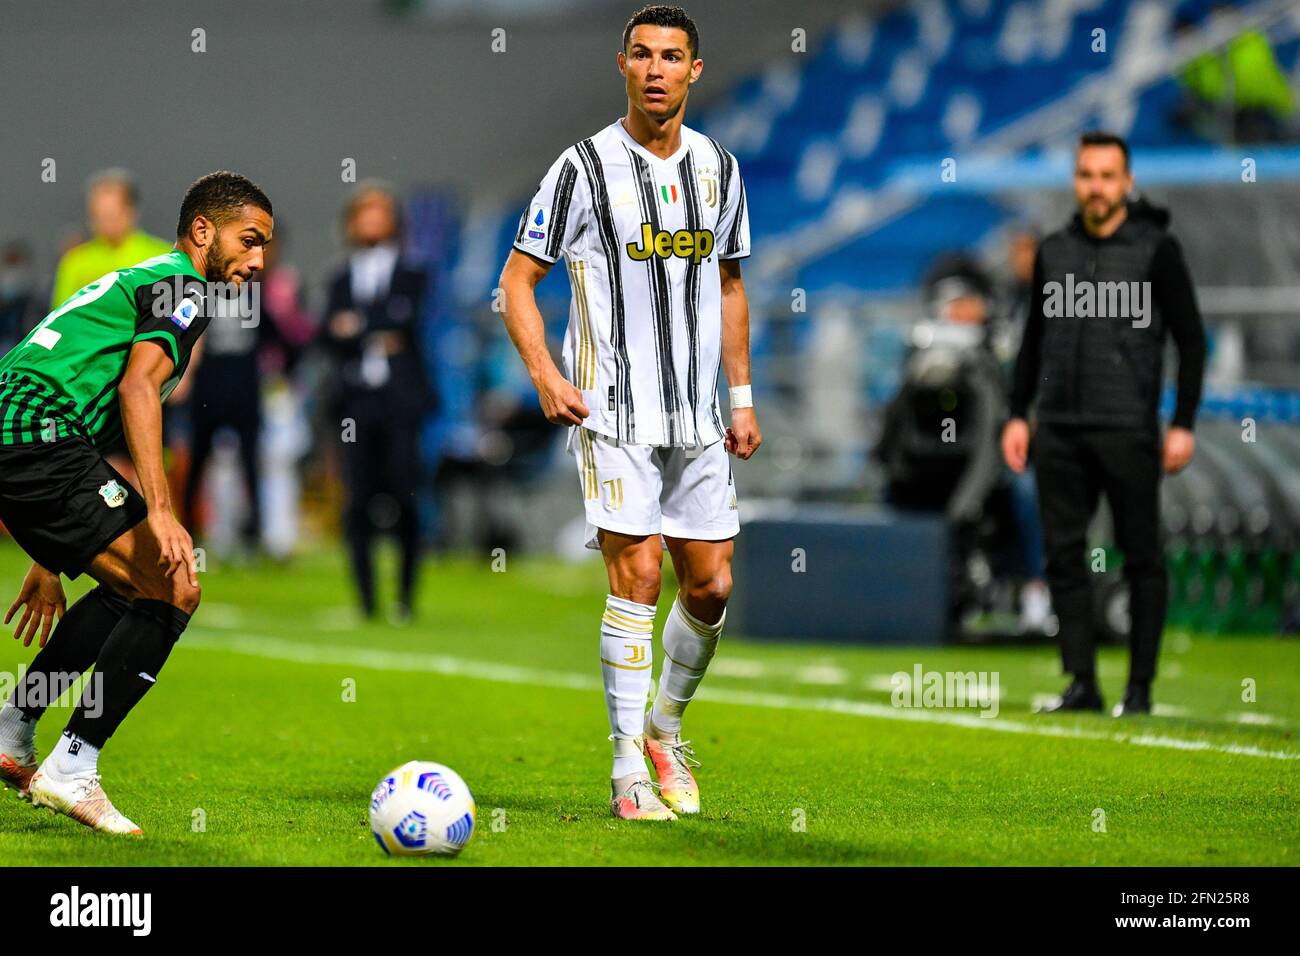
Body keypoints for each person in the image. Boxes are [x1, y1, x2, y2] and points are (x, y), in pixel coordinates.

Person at [498, 4, 759, 821]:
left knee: (710, 588)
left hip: (697, 415)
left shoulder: (720, 167)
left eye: (671, 57)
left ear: (694, 72)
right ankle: (626, 776)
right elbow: (515, 284)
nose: (655, 69)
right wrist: (545, 374)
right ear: (623, 65)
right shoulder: (580, 169)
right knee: (638, 577)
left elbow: (729, 285)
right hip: (612, 409)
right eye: (641, 54)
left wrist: (741, 397)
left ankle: (663, 727)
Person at [0, 171, 273, 833]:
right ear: (202, 231)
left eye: (265, 245)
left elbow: (81, 388)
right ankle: (71, 767)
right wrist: (159, 508)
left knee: (130, 587)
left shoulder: (142, 278)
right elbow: (138, 390)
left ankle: (15, 725)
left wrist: (50, 551)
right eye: (249, 239)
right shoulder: (184, 286)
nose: (259, 260)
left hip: (24, 432)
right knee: (175, 585)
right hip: (42, 436)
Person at [1002, 132, 1206, 716]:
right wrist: (1019, 415)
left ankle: (1139, 689)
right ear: (1076, 181)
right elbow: (1032, 343)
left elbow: (1192, 342)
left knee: (1141, 556)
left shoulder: (1157, 251)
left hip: (1128, 428)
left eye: (1107, 176)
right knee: (1064, 556)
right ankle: (1081, 684)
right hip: (1059, 429)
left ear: (1127, 183)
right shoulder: (1055, 251)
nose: (1096, 186)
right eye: (1087, 175)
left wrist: (1184, 421)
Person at [322, 183, 434, 622]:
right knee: (357, 501)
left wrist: (357, 325)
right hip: (356, 404)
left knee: (406, 496)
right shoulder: (339, 278)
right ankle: (366, 603)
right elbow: (325, 335)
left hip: (401, 402)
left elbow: (407, 320)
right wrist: (375, 330)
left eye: (379, 214)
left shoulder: (413, 273)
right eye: (363, 215)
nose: (370, 223)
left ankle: (405, 599)